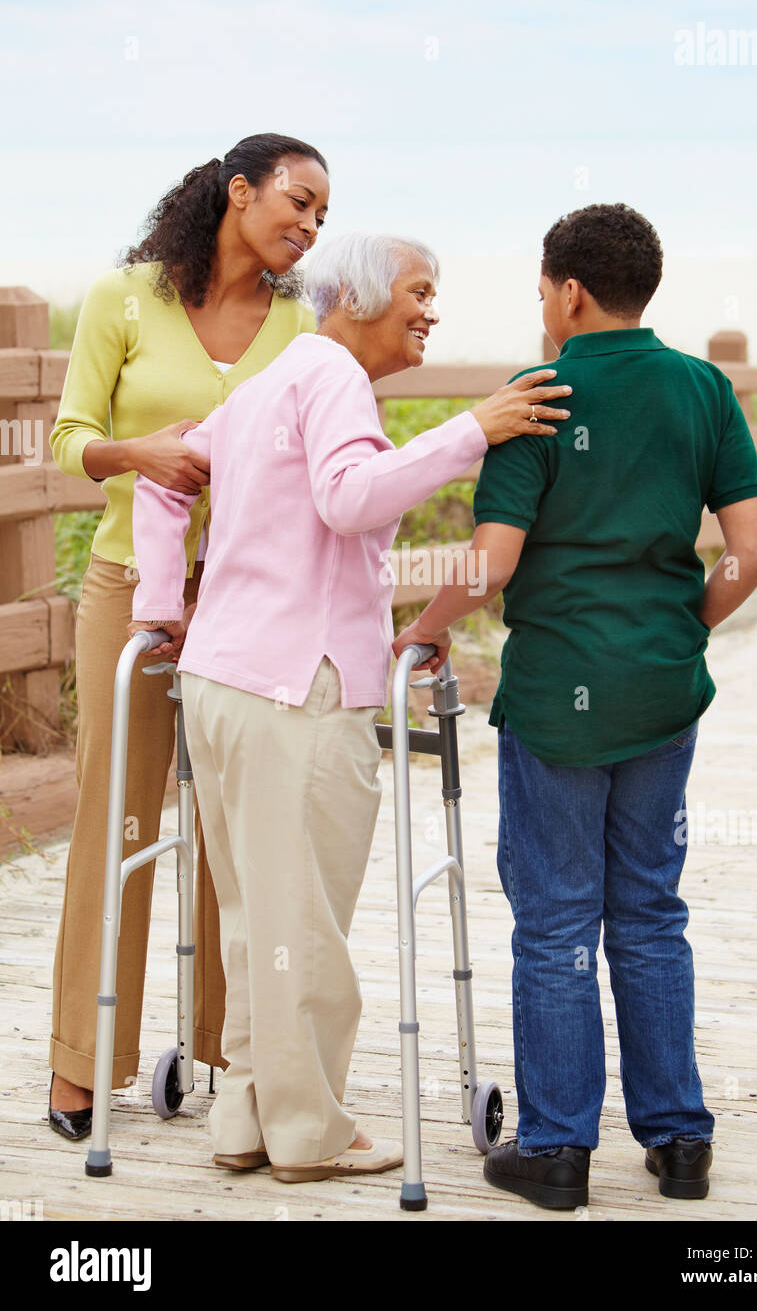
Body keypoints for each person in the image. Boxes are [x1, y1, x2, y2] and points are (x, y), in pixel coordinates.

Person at [126, 231, 573, 1180]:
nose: (431, 311)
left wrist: (160, 604)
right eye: (419, 291)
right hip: (298, 689)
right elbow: (346, 498)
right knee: (306, 925)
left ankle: (250, 1120)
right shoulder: (329, 377)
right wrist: (471, 433)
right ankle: (308, 1134)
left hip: (222, 683)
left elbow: (163, 478)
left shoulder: (262, 385)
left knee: (256, 918)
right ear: (359, 299)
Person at [394, 203, 757, 1209]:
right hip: (661, 685)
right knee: (649, 907)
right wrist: (683, 625)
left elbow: (489, 564)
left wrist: (423, 627)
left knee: (557, 916)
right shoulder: (701, 388)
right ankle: (679, 1142)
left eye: (539, 294)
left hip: (559, 695)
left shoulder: (540, 395)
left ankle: (558, 1150)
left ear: (567, 292)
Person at [47, 133, 330, 1138]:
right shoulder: (125, 299)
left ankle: (231, 1051)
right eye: (295, 200)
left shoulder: (305, 324)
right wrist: (139, 452)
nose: (306, 224)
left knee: (238, 829)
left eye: (321, 217)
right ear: (237, 189)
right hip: (132, 590)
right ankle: (83, 1062)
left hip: (251, 599)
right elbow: (68, 435)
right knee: (113, 820)